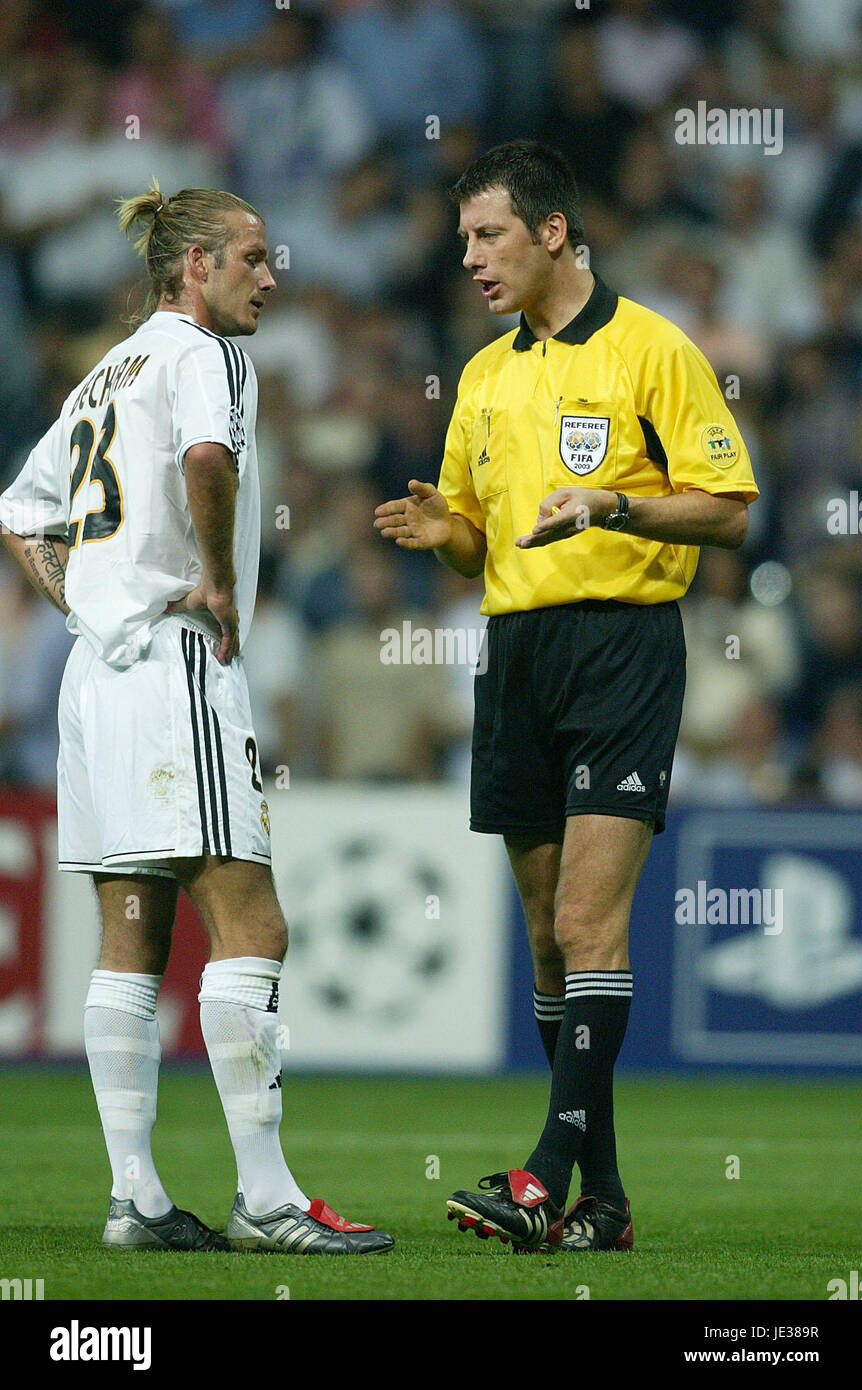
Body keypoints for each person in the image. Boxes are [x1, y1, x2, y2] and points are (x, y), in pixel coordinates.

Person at [375, 140, 758, 1252]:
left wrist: (613, 507)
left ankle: (541, 1176)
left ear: (550, 231)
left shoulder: (651, 347)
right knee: (548, 940)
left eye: (486, 235)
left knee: (590, 921)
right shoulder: (485, 374)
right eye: (460, 241)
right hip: (514, 654)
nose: (469, 259)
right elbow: (473, 539)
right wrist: (447, 535)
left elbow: (726, 506)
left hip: (619, 645)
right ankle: (605, 1199)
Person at [0, 182, 393, 1256]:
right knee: (252, 923)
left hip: (97, 671)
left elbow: (20, 513)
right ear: (195, 268)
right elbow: (207, 461)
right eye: (252, 258)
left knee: (130, 939)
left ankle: (134, 1196)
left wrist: (84, 605)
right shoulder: (206, 357)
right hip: (174, 658)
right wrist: (215, 581)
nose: (270, 278)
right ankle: (265, 1196)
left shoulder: (101, 372)